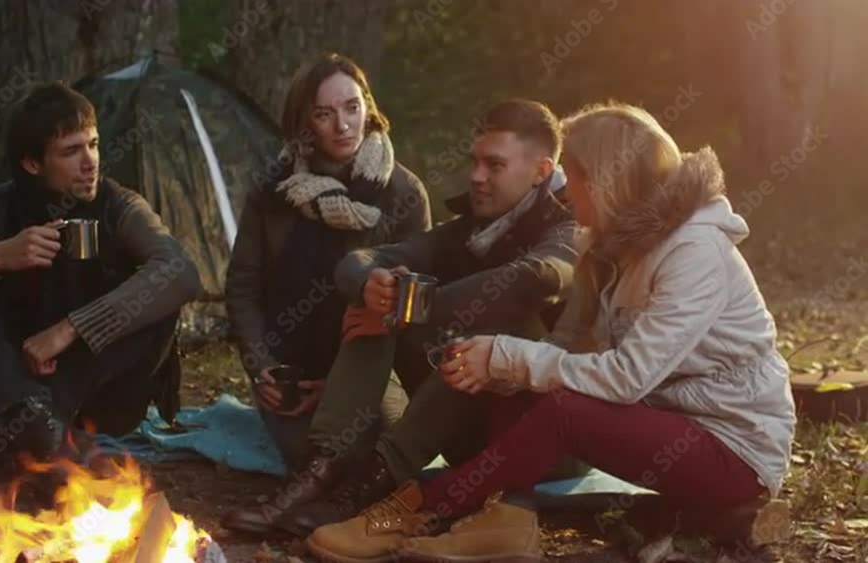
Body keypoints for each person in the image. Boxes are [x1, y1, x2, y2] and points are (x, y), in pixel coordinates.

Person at [306, 102, 798, 562]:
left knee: (559, 401)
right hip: (669, 426)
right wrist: (502, 367)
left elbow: (629, 378)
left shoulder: (694, 252)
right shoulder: (610, 249)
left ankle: (415, 509)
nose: (565, 191)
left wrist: (507, 356)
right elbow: (563, 348)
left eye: (576, 178)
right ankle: (508, 521)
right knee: (523, 378)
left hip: (735, 451)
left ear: (607, 182)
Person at [222, 99, 579, 536]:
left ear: (541, 172)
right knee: (381, 295)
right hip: (469, 429)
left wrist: (410, 314)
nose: (476, 176)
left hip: (547, 443)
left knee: (481, 327)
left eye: (495, 165)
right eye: (475, 162)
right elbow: (361, 261)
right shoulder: (477, 228)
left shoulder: (572, 226)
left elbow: (532, 281)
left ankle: (372, 484)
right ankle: (323, 469)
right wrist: (376, 286)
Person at [0, 82, 200, 479]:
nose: (91, 162)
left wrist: (72, 329)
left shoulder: (119, 205)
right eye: (71, 151)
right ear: (33, 163)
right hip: (11, 380)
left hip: (91, 392)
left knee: (158, 297)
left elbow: (182, 272)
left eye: (94, 144)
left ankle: (33, 432)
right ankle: (32, 425)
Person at [225, 53, 432, 473]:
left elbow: (419, 304)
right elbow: (243, 287)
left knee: (372, 457)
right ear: (304, 121)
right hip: (289, 367)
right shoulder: (273, 192)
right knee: (306, 458)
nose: (343, 125)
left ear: (368, 110)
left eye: (352, 108)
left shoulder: (403, 192)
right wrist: (261, 367)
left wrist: (341, 387)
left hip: (370, 369)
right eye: (325, 114)